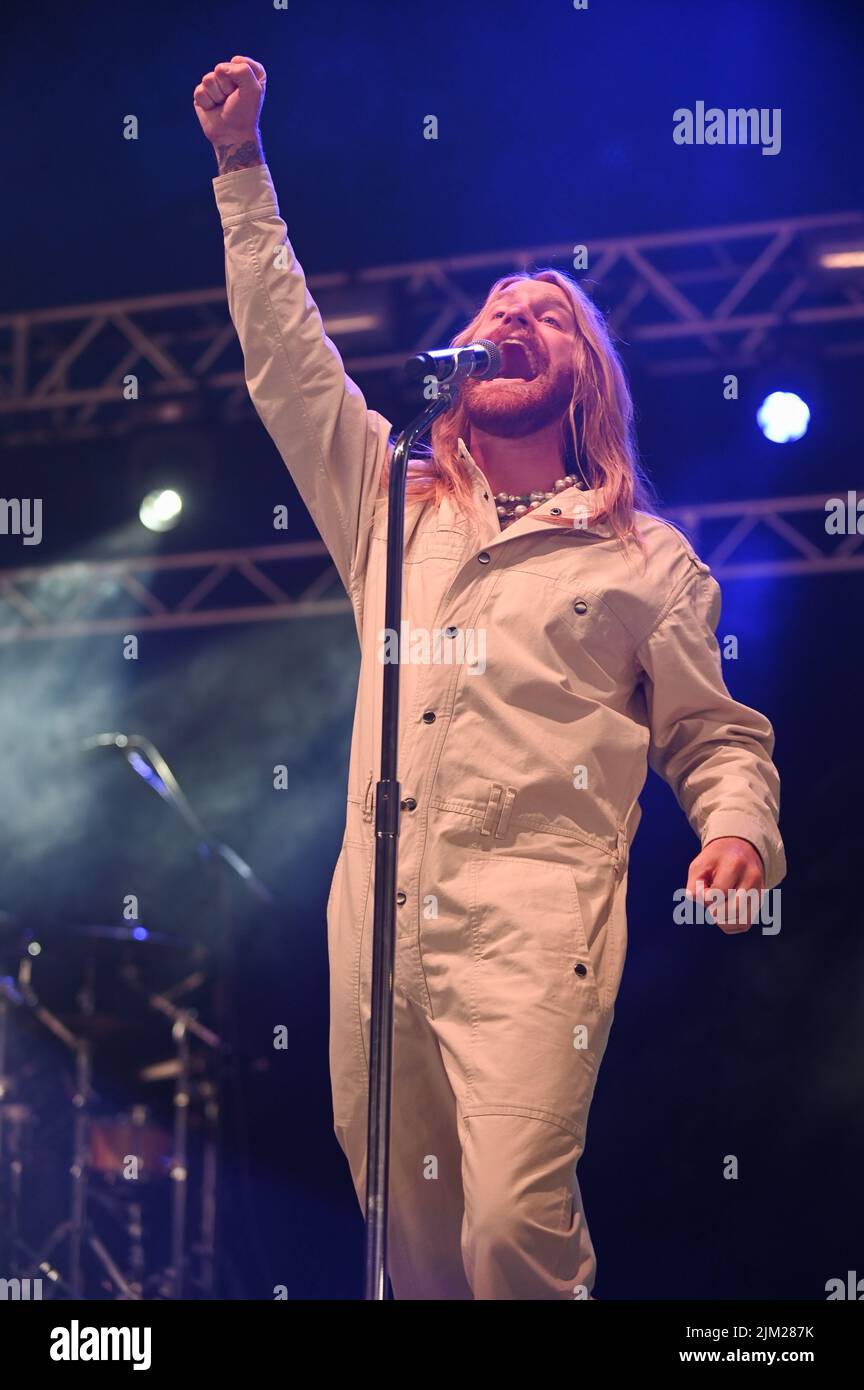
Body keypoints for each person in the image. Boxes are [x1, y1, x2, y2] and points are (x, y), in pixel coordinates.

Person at [194, 56, 786, 1300]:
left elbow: (715, 734)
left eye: (549, 313)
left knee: (509, 1229)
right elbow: (290, 363)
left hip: (533, 912)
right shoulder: (393, 503)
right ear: (458, 365)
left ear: (591, 378)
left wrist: (736, 827)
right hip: (382, 909)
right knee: (409, 1249)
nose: (512, 319)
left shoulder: (643, 558)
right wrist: (243, 171)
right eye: (494, 310)